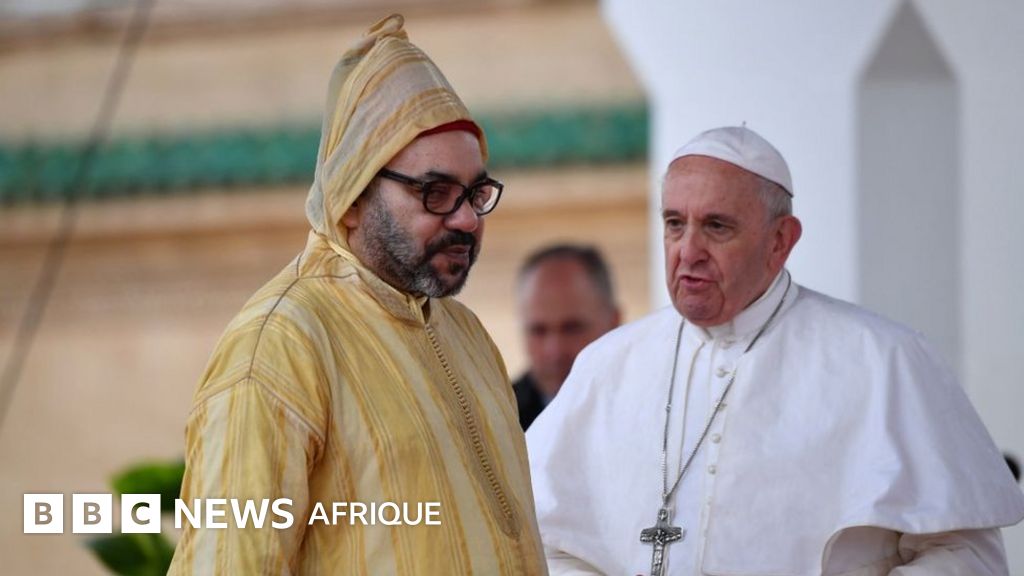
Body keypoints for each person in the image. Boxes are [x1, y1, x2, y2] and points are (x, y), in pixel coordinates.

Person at [526, 126, 1024, 575]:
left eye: (717, 226)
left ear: (780, 241)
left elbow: (967, 556)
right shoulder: (608, 364)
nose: (688, 250)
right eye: (675, 223)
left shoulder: (882, 359)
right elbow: (547, 543)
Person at [168, 14, 546, 575]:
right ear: (350, 196)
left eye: (476, 192)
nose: (466, 218)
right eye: (435, 192)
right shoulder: (279, 346)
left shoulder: (464, 332)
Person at [513, 244, 621, 430]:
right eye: (538, 331)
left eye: (572, 328)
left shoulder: (657, 406)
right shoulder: (495, 423)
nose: (554, 351)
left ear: (614, 323)